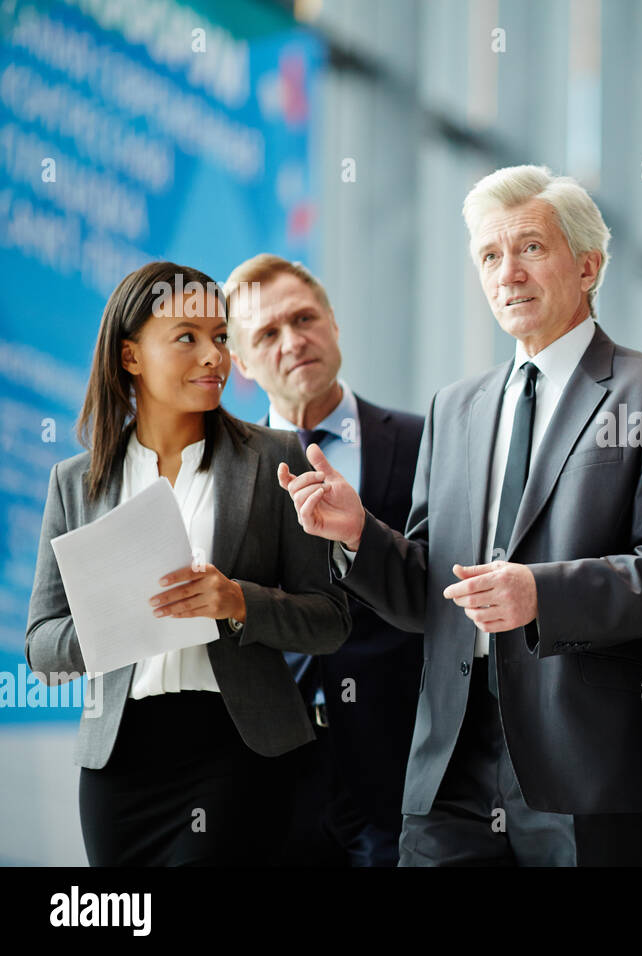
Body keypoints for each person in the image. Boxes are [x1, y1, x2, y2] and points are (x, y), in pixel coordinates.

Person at [278, 165, 642, 866]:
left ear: (587, 266)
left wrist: (539, 594)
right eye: (489, 255)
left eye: (530, 249)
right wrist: (358, 534)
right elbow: (430, 591)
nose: (507, 272)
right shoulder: (456, 408)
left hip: (589, 763)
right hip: (450, 763)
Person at [25, 261, 350, 866]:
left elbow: (330, 621)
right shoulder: (74, 483)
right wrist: (115, 617)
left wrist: (238, 602)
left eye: (221, 338)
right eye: (187, 338)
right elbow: (42, 647)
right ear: (130, 356)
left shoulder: (278, 457)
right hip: (118, 769)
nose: (214, 357)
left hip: (237, 753)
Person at [223, 254, 424, 867]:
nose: (293, 340)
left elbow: (439, 579)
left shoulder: (426, 441)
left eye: (304, 318)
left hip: (402, 770)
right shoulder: (225, 471)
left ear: (333, 324)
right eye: (267, 334)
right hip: (271, 770)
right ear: (242, 364)